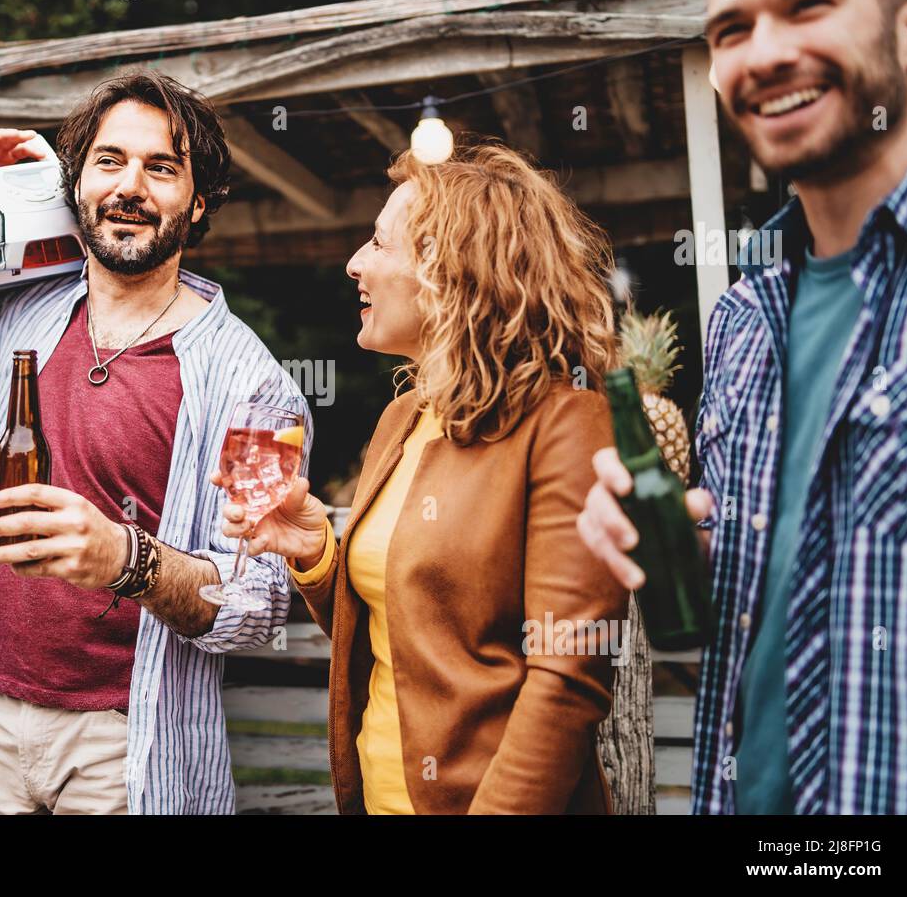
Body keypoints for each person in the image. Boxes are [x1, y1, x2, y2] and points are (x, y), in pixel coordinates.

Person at [0, 70, 311, 815]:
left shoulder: (258, 389)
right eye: (109, 161)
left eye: (162, 167)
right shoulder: (26, 314)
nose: (131, 186)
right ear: (76, 184)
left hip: (129, 745)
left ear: (198, 201)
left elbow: (259, 604)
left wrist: (126, 560)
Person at [577, 0, 907, 813]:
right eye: (732, 27)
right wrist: (668, 547)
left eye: (807, 6)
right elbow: (752, 602)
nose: (763, 52)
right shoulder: (743, 319)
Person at [215, 141, 627, 814]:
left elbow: (567, 684)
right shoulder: (403, 417)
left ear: (450, 271)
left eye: (380, 243)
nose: (355, 263)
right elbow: (409, 622)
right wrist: (316, 552)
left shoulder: (566, 424)